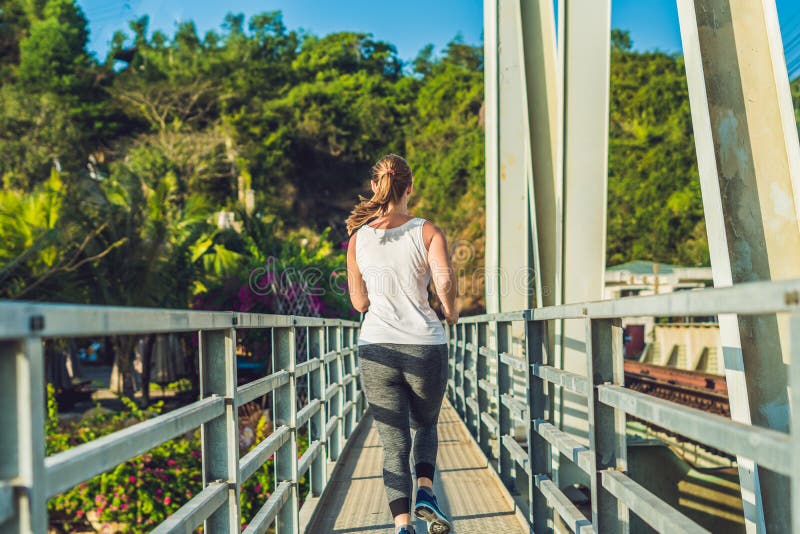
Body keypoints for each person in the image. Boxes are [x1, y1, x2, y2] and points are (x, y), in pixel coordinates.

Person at [345, 154, 458, 534]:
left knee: (393, 443)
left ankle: (401, 525)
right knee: (425, 424)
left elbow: (359, 303)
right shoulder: (428, 232)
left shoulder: (358, 238)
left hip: (376, 348)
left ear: (377, 185)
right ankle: (426, 491)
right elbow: (442, 283)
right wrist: (450, 310)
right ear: (410, 187)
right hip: (425, 345)